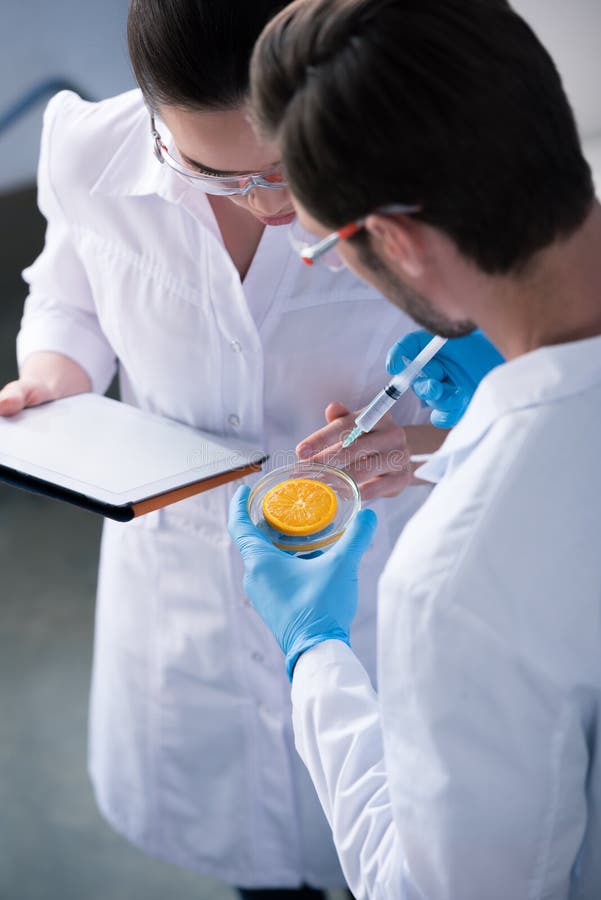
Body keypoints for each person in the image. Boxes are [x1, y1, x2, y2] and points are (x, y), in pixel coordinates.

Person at [0, 1, 473, 896]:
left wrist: (421, 445)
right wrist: (58, 377)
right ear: (151, 118)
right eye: (222, 179)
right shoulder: (90, 154)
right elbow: (66, 291)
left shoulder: (428, 173)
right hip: (185, 587)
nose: (273, 205)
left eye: (289, 168)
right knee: (258, 861)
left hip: (380, 572)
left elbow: (537, 382)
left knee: (401, 847)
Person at [229, 0, 601, 897]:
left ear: (393, 240)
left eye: (321, 242)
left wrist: (314, 652)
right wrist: (469, 437)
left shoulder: (455, 582)